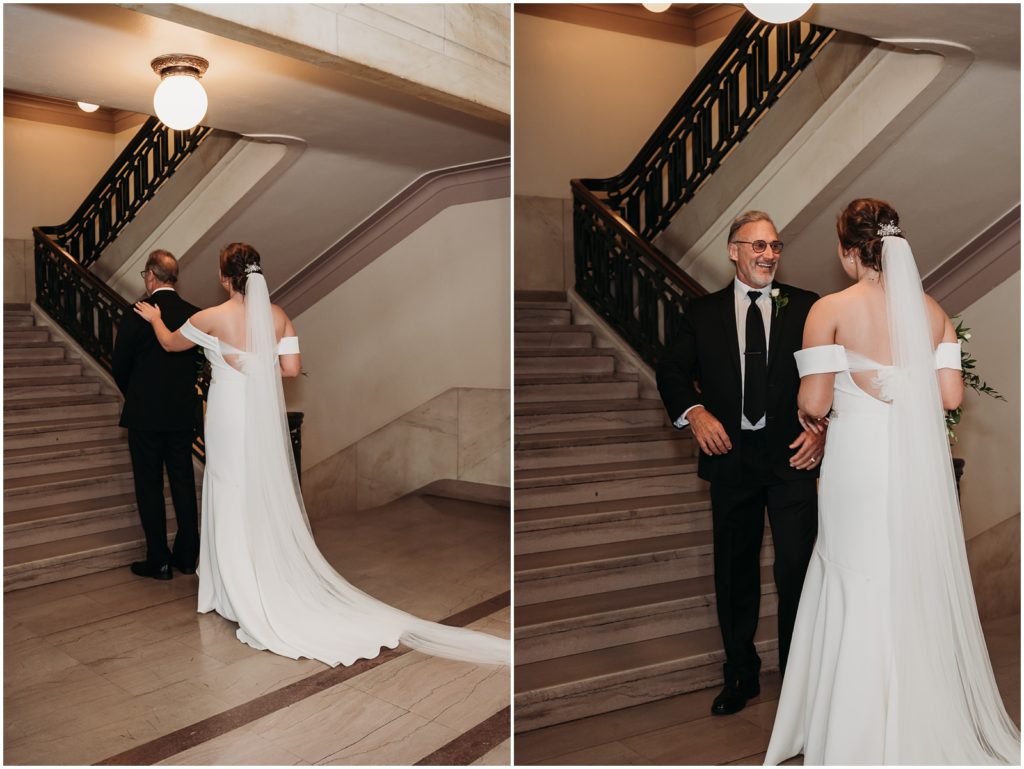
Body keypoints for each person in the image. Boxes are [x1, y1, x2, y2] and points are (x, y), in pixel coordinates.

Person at [133, 243, 508, 667]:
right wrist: (255, 368)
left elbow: (169, 345)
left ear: (224, 277)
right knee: (258, 490)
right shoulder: (278, 316)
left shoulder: (210, 317)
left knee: (229, 488)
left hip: (227, 416)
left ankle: (233, 592)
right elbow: (291, 369)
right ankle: (262, 581)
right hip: (258, 417)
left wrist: (156, 318)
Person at [764, 199, 1019, 764]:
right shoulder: (932, 312)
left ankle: (851, 732)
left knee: (853, 577)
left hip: (856, 467)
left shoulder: (830, 307)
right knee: (904, 579)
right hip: (912, 467)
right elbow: (950, 397)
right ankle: (915, 717)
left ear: (846, 250)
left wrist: (820, 409)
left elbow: (814, 399)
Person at [657, 211, 827, 716]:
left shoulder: (807, 307)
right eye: (757, 246)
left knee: (797, 566)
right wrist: (695, 411)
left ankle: (798, 675)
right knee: (735, 570)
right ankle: (740, 673)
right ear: (733, 251)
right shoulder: (701, 312)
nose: (769, 255)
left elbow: (831, 376)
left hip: (793, 458)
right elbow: (670, 368)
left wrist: (824, 432)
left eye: (774, 246)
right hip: (729, 458)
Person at [112, 249, 201, 580]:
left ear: (151, 275)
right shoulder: (194, 313)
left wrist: (136, 394)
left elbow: (119, 365)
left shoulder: (136, 313)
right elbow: (197, 365)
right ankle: (188, 557)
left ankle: (159, 560)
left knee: (149, 486)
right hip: (181, 414)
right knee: (182, 482)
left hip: (145, 415)